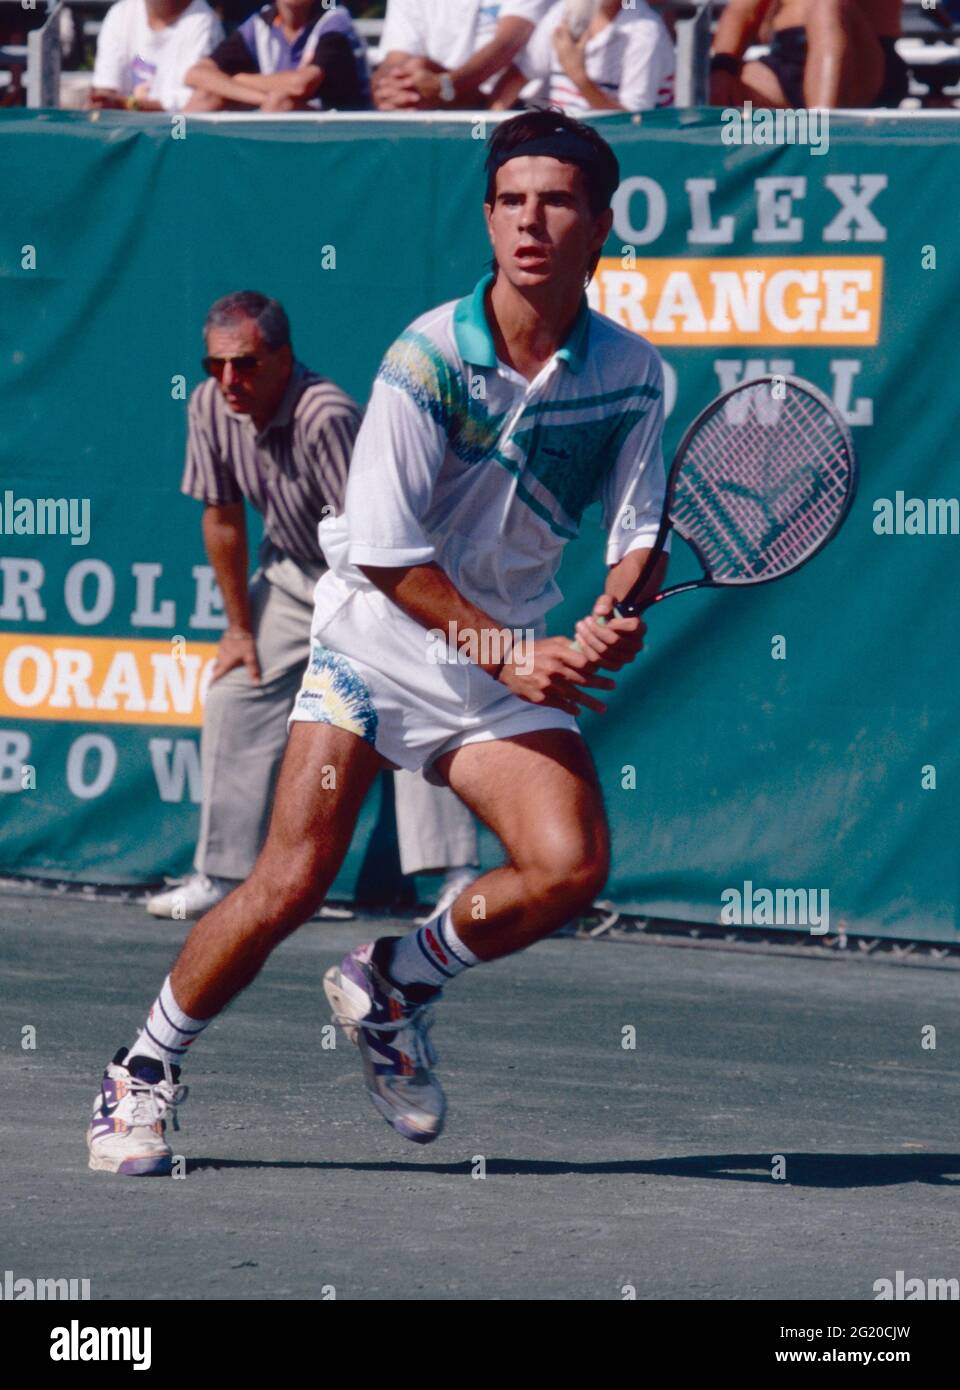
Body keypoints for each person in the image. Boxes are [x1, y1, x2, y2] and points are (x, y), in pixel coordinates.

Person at [86, 109, 668, 1174]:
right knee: (288, 884)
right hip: (376, 645)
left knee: (569, 862)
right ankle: (142, 1073)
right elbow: (392, 557)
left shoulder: (633, 375)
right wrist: (513, 651)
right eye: (510, 201)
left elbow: (638, 533)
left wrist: (615, 607)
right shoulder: (427, 357)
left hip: (496, 667)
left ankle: (398, 979)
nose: (529, 221)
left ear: (602, 222)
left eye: (556, 201)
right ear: (487, 220)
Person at [145, 291, 477, 924]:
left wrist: (380, 633)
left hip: (384, 575)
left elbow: (375, 532)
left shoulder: (325, 415)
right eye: (215, 366)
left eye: (244, 364)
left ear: (283, 358)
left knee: (407, 698)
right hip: (296, 575)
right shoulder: (210, 407)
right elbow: (221, 517)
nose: (228, 381)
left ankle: (458, 875)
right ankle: (222, 875)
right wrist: (240, 629)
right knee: (234, 692)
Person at [709, 0, 907, 110]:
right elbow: (741, 12)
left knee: (827, 6)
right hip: (787, 55)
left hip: (861, 59)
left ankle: (821, 133)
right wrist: (722, 70)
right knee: (727, 84)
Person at [184, 0, 370, 112]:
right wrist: (261, 98)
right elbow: (195, 74)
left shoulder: (336, 22)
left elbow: (300, 84)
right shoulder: (260, 23)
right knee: (205, 97)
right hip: (279, 113)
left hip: (345, 136)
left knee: (282, 106)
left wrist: (236, 80)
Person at [373, 0, 553, 110]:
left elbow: (507, 43)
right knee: (413, 70)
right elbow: (395, 58)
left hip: (512, 111)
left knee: (478, 139)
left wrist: (446, 85)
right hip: (441, 112)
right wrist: (389, 88)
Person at [503, 0, 675, 114]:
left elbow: (632, 123)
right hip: (561, 141)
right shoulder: (562, 12)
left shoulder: (646, 33)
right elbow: (519, 76)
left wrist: (578, 76)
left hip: (612, 152)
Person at [90, 0, 223, 111]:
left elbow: (193, 103)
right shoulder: (120, 13)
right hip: (124, 132)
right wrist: (104, 101)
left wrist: (128, 105)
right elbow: (106, 88)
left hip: (176, 135)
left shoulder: (205, 23)